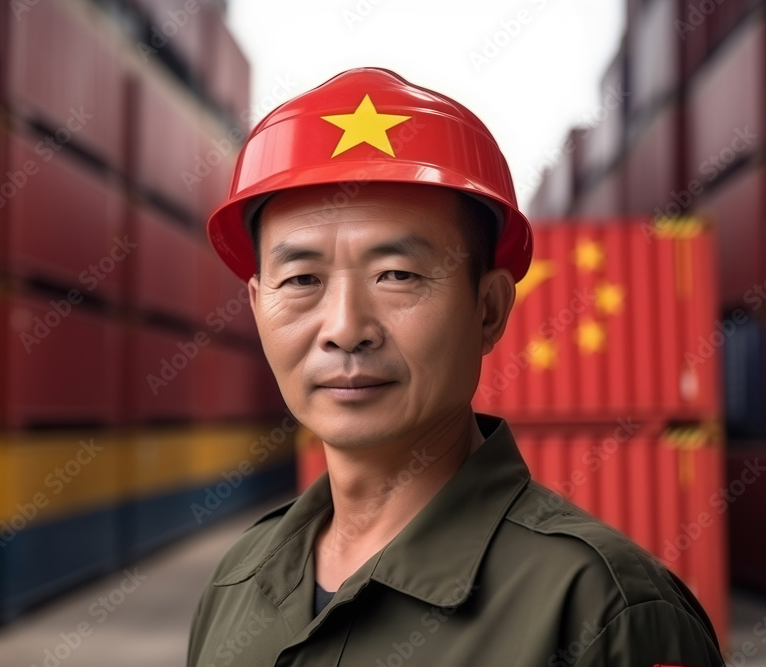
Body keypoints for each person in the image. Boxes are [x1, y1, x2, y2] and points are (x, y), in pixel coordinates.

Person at [188, 67, 724, 666]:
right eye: (302, 279)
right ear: (258, 308)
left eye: (397, 275)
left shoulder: (604, 613)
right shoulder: (237, 581)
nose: (344, 328)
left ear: (489, 310)